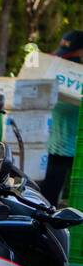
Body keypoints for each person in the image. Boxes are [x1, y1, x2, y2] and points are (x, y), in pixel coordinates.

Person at [41, 29, 82, 206]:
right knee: (48, 200)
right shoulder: (58, 71)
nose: (69, 63)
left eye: (73, 58)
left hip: (74, 148)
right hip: (57, 147)